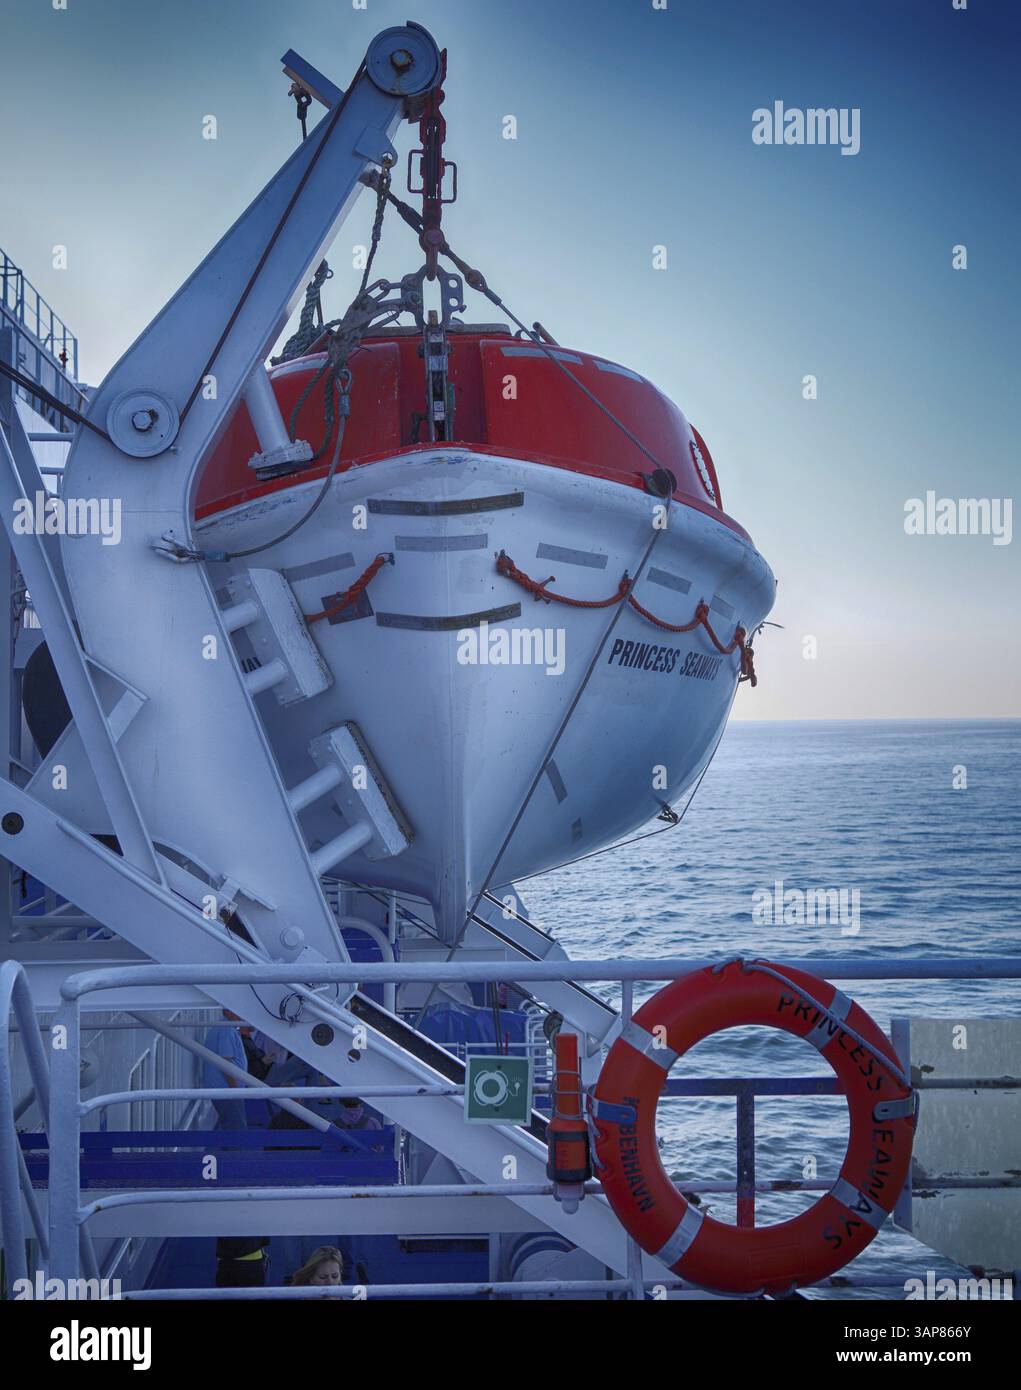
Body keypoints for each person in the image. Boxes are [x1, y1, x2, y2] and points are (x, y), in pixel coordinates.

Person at [202, 1009, 249, 1130]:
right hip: (227, 1091)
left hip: (224, 1089)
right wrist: (234, 1090)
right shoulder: (226, 1030)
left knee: (232, 1127)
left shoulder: (224, 1028)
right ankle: (234, 1149)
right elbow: (225, 1062)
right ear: (230, 1012)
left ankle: (231, 1148)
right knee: (237, 1129)